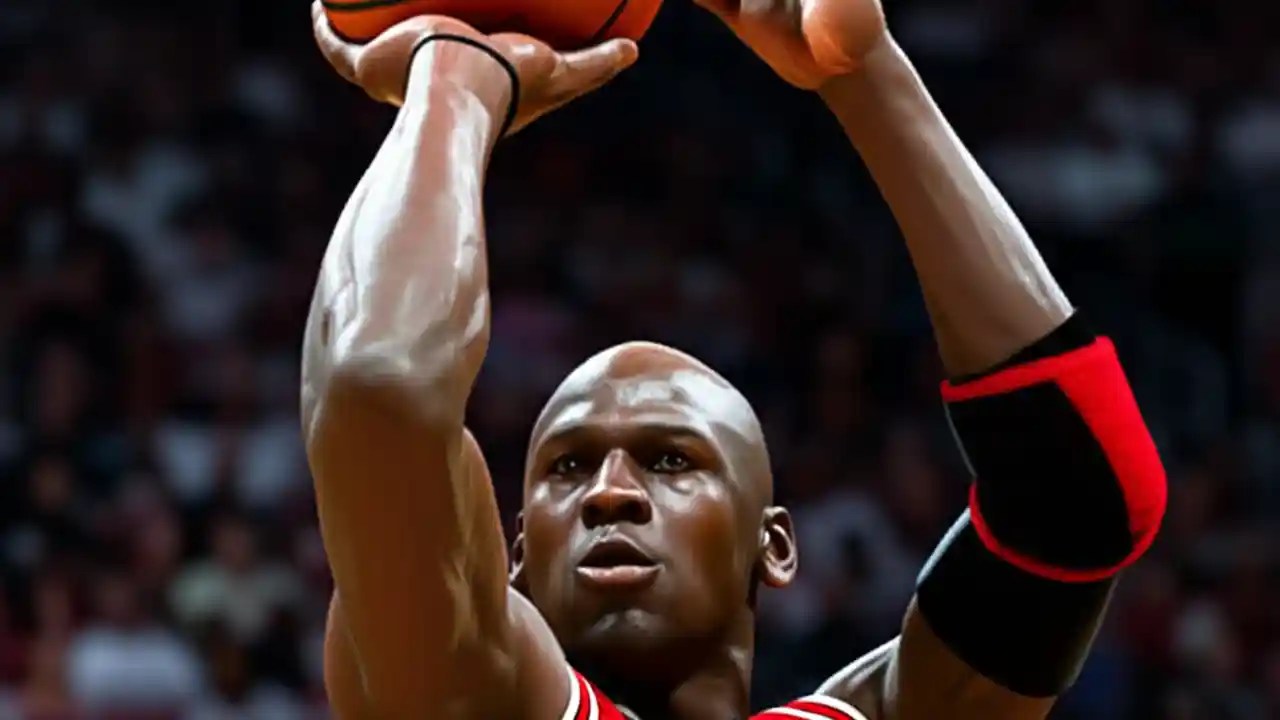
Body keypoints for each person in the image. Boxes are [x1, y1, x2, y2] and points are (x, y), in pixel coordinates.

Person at [302, 0, 1168, 717]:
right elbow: (378, 391)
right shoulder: (463, 683)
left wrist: (862, 74)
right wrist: (457, 79)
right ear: (512, 558)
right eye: (567, 468)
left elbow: (1081, 499)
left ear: (776, 546)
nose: (609, 491)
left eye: (671, 460)